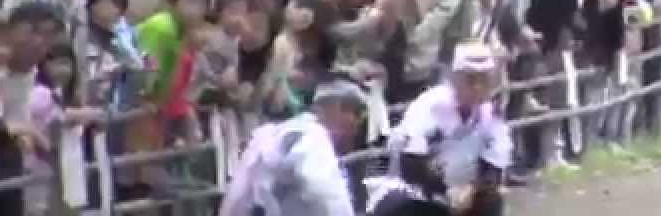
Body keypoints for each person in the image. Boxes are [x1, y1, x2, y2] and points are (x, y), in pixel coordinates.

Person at [365, 41, 511, 216]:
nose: (478, 88)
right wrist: (445, 191)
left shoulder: (491, 114)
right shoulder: (430, 105)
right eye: (471, 80)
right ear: (455, 78)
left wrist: (473, 189)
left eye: (484, 79)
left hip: (464, 194)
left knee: (492, 200)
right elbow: (410, 163)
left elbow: (494, 166)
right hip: (414, 193)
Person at [219, 77, 366, 216]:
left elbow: (237, 196)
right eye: (355, 113)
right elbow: (322, 191)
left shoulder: (279, 134)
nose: (356, 125)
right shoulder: (313, 136)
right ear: (336, 108)